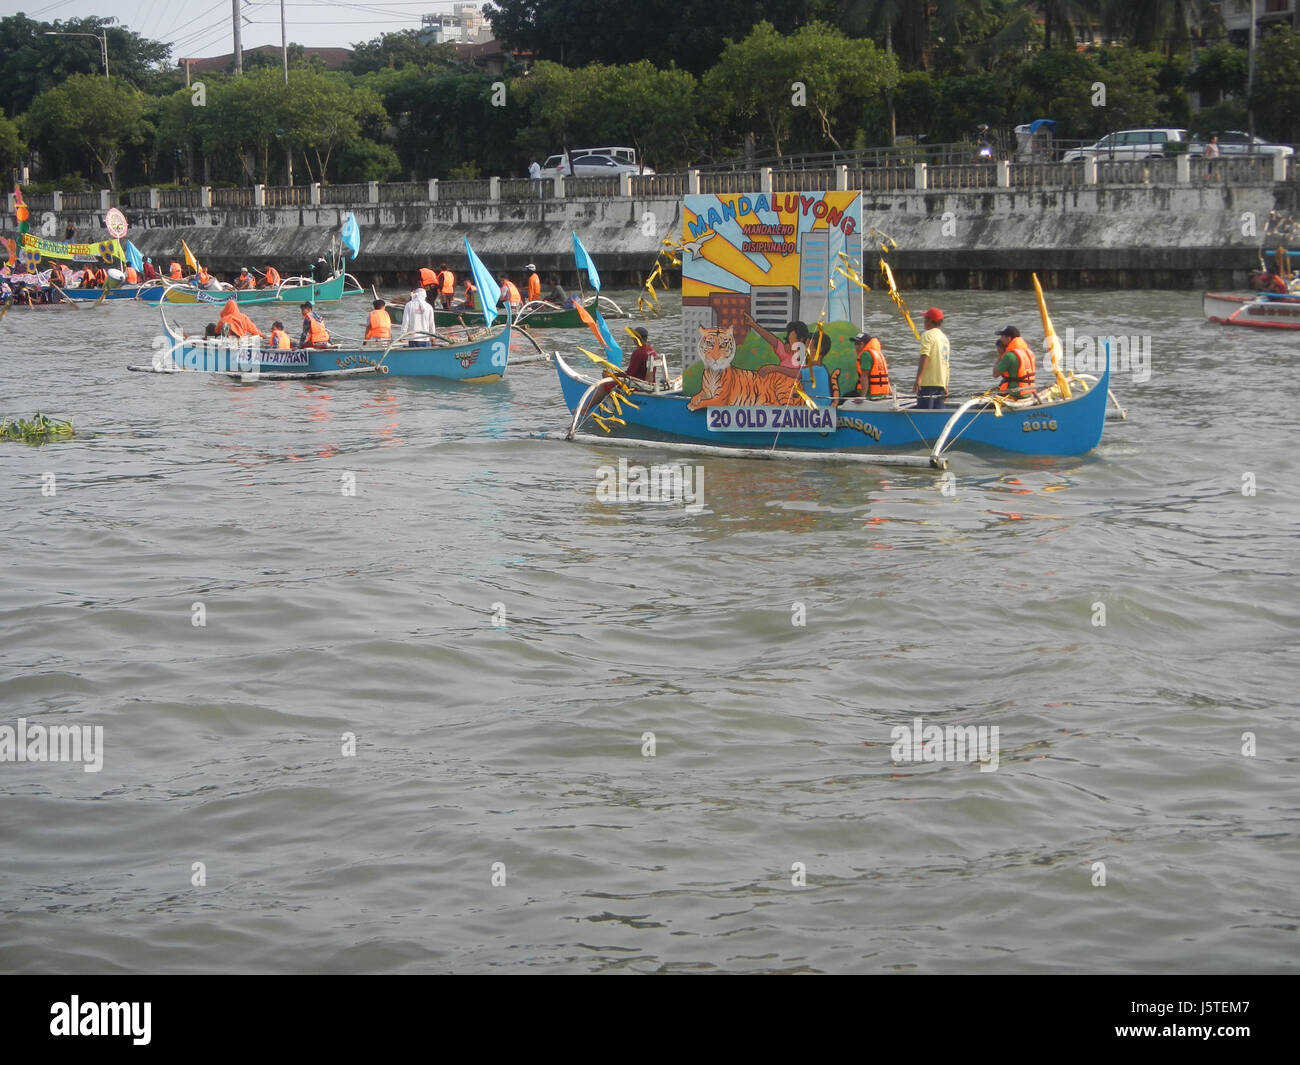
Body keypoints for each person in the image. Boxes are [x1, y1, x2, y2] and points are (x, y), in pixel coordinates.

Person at [744, 314, 808, 379]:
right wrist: (753, 324)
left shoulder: (806, 359)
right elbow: (772, 340)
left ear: (801, 339)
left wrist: (775, 368)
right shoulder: (788, 353)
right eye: (789, 340)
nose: (791, 345)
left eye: (793, 341)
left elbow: (800, 374)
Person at [913, 307, 950, 409]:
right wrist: (946, 385)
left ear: (930, 321)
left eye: (925, 319)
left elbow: (924, 356)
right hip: (940, 384)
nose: (924, 322)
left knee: (924, 414)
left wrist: (918, 379)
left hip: (927, 384)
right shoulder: (944, 338)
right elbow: (946, 364)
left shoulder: (927, 335)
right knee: (937, 414)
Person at [993, 326, 1036, 400]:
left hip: (1014, 394)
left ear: (1008, 338)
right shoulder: (1029, 352)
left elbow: (995, 374)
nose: (1000, 339)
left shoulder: (1009, 356)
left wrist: (1000, 355)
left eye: (1002, 337)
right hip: (1028, 391)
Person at [852, 332, 891, 398]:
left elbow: (864, 377)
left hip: (869, 394)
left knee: (842, 400)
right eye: (855, 344)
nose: (856, 347)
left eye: (859, 344)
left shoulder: (865, 355)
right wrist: (890, 393)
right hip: (880, 394)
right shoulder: (878, 353)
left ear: (865, 344)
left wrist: (862, 398)